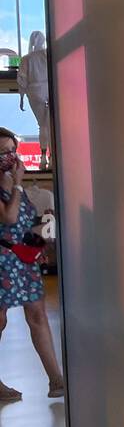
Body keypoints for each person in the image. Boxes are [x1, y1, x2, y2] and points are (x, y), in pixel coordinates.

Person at [0, 125, 63, 399]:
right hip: (2, 261)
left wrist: (39, 243)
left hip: (23, 261)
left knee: (37, 316)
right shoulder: (14, 186)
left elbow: (23, 224)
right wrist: (16, 183)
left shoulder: (18, 186)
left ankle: (56, 379)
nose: (10, 157)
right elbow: (9, 218)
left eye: (12, 151)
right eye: (3, 152)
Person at [17, 32, 50, 170]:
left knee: (42, 125)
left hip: (34, 92)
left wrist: (22, 97)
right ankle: (52, 157)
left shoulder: (26, 58)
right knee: (50, 124)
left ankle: (43, 157)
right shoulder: (48, 55)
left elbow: (22, 79)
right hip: (49, 89)